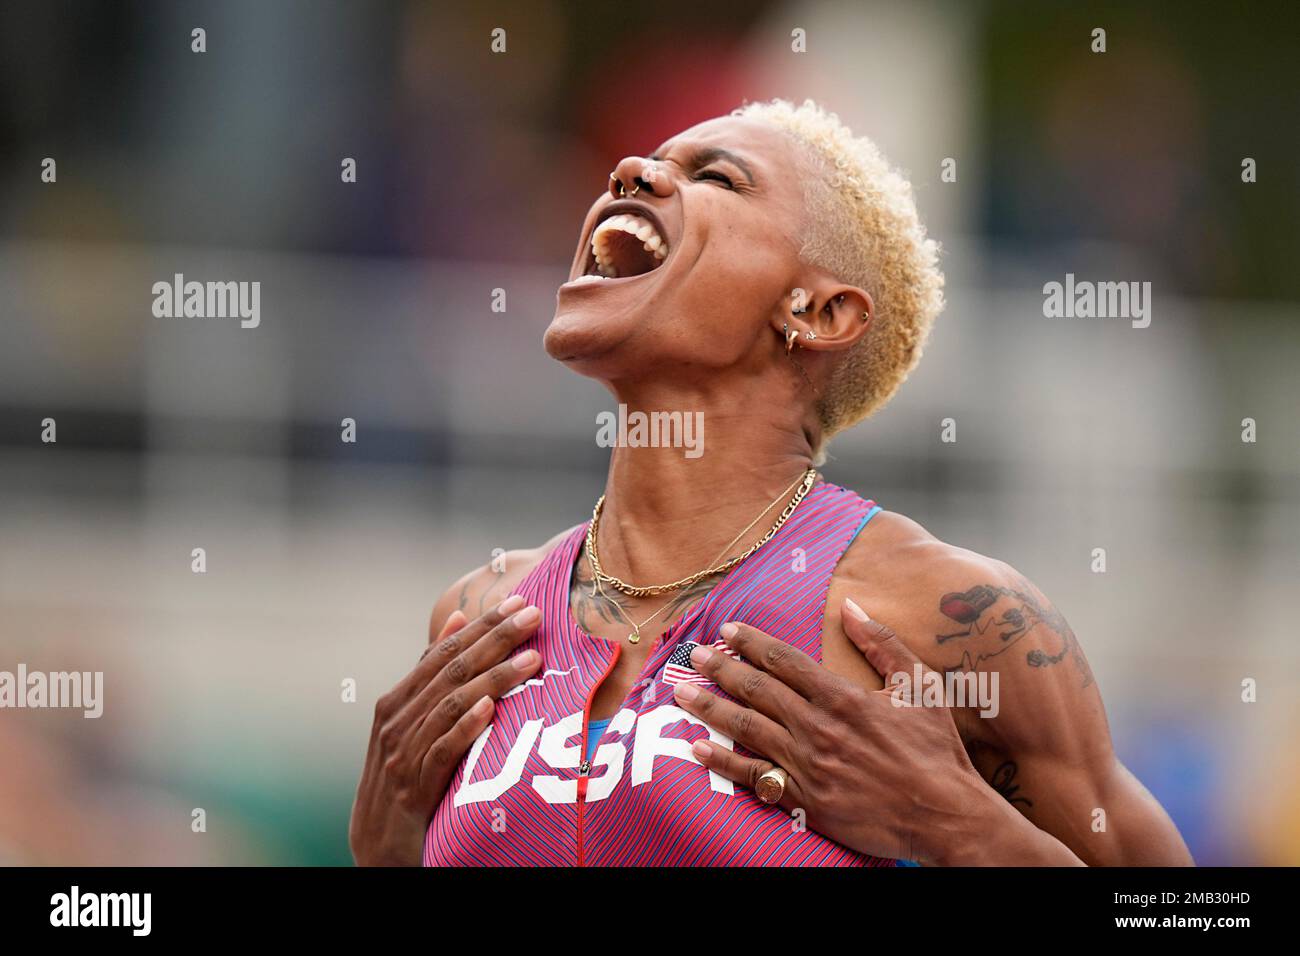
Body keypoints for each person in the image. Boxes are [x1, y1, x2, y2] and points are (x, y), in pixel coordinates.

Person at [349, 99, 1192, 866]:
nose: (632, 172)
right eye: (647, 161)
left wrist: (962, 826)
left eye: (714, 176)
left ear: (817, 312)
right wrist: (383, 849)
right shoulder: (483, 619)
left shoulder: (946, 616)